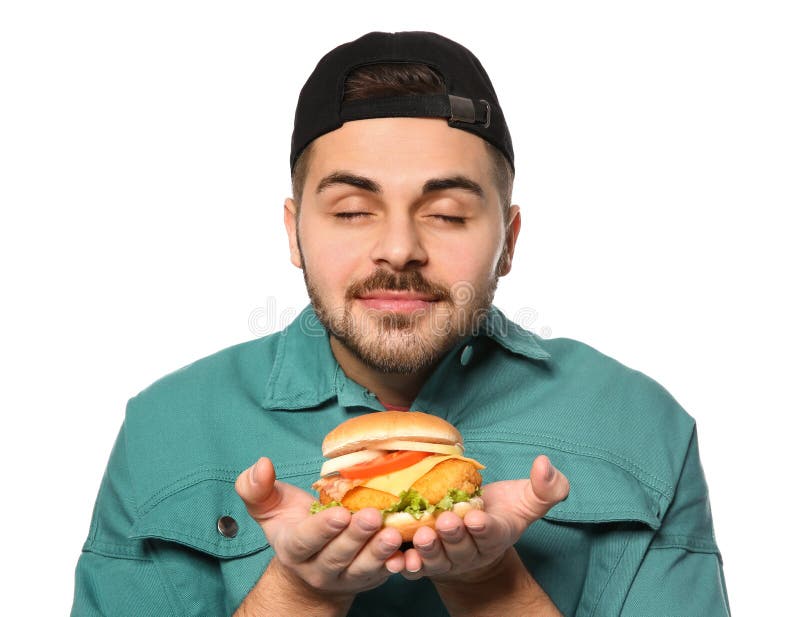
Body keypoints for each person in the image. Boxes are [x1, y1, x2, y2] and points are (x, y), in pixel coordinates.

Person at [71, 31, 731, 617]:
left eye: (445, 213)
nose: (398, 248)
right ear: (295, 232)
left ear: (508, 239)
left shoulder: (640, 425)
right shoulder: (165, 429)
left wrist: (488, 587)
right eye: (353, 210)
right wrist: (301, 595)